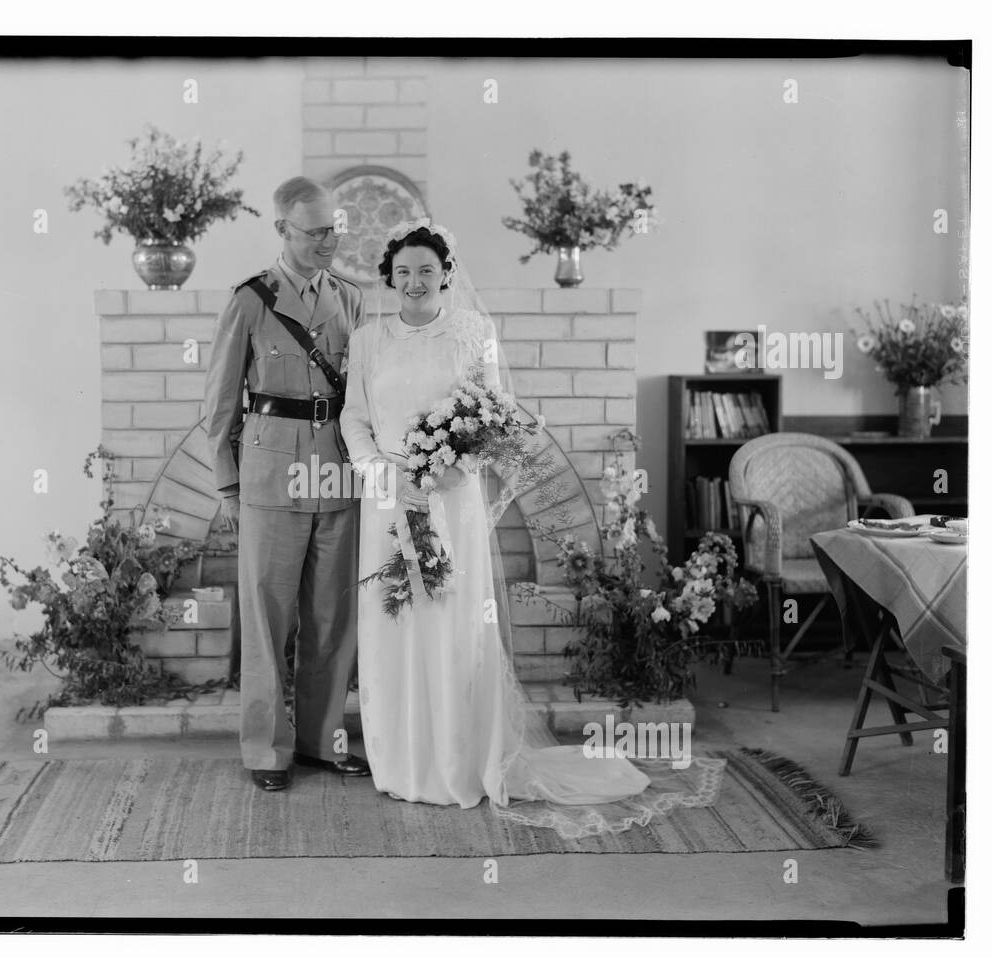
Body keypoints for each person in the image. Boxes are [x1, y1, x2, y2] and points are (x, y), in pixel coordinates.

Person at [340, 219, 725, 837]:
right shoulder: (366, 340)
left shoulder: (474, 333)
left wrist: (446, 469)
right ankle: (402, 762)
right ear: (389, 276)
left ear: (447, 274)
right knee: (395, 621)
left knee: (452, 622)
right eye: (402, 271)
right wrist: (380, 470)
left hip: (452, 499)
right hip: (386, 501)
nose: (414, 282)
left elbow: (491, 418)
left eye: (426, 270)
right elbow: (353, 418)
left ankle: (461, 761)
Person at [203, 176, 371, 792]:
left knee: (332, 618)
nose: (329, 241)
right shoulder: (251, 300)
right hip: (270, 478)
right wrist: (227, 487)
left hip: (338, 474)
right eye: (316, 231)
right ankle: (267, 750)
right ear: (283, 230)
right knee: (269, 621)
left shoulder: (350, 299)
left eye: (335, 229)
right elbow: (220, 405)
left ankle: (321, 742)